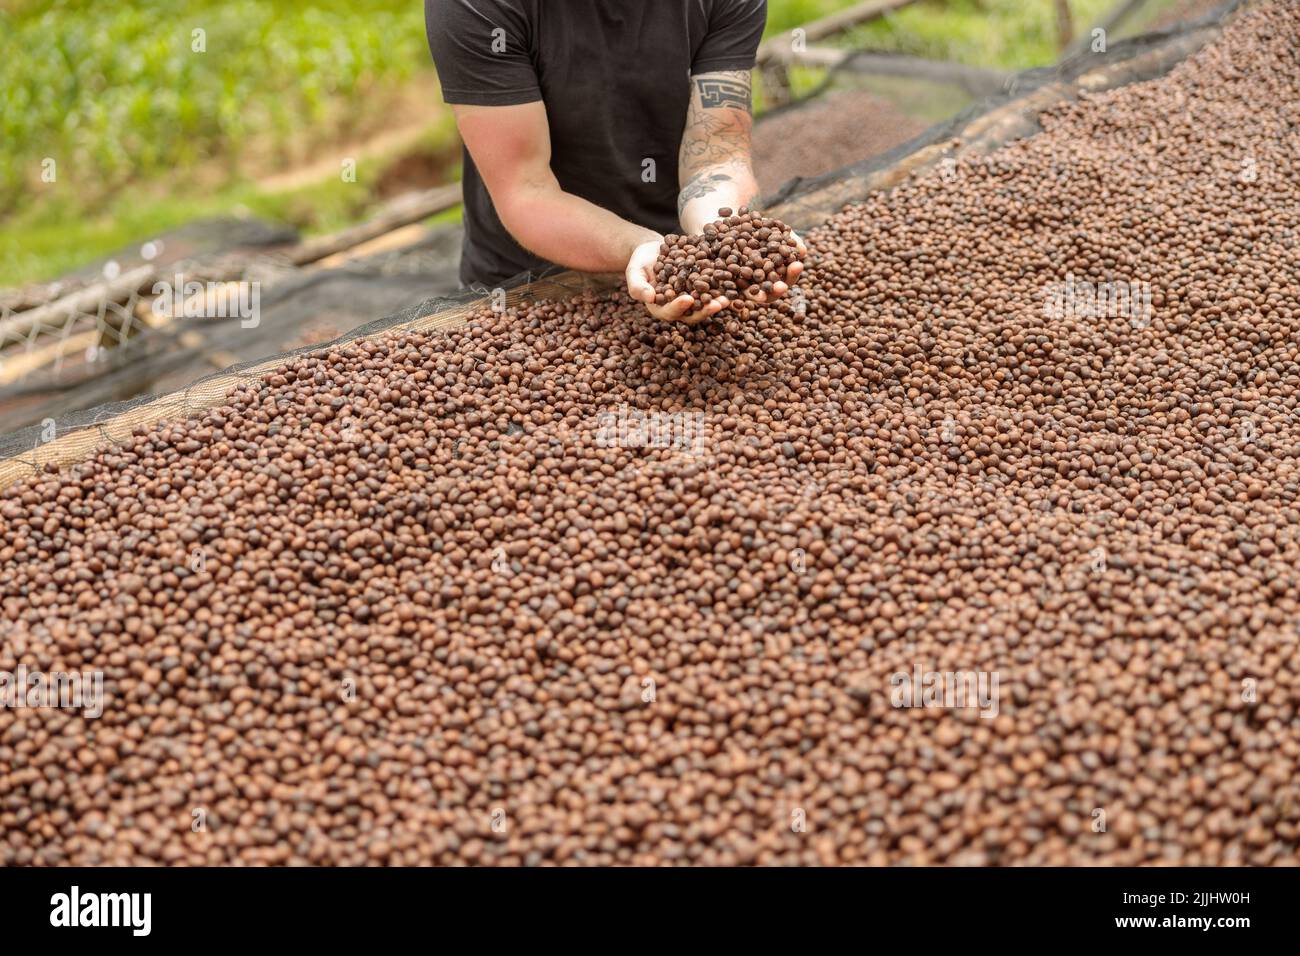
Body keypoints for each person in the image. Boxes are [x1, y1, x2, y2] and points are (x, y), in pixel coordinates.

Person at [425, 0, 804, 324]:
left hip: (670, 260)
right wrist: (639, 247)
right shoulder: (477, 6)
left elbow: (716, 149)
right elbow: (526, 188)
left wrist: (724, 243)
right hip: (525, 288)